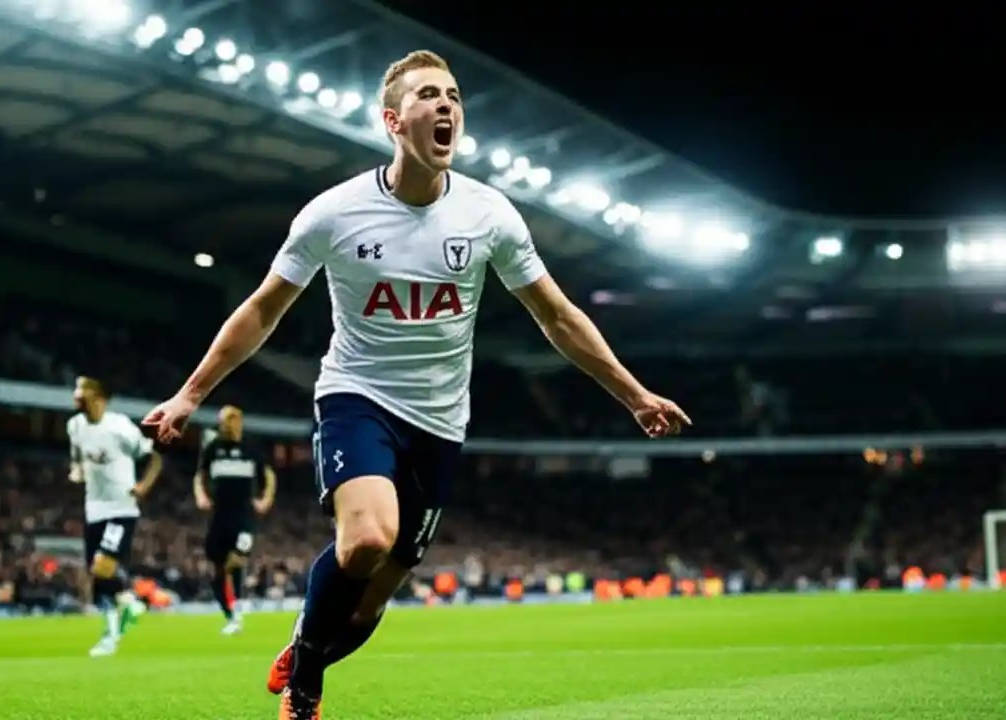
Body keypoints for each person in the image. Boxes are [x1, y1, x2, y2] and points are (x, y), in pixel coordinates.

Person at [142, 49, 690, 720]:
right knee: (367, 540)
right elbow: (262, 309)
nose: (447, 107)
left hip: (440, 422)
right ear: (394, 120)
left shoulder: (489, 215)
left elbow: (557, 315)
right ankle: (306, 687)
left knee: (370, 603)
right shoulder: (334, 213)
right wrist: (191, 395)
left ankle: (305, 648)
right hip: (357, 397)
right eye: (430, 95)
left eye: (455, 96)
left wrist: (634, 395)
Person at [68, 376, 163, 657]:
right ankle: (114, 627)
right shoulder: (74, 426)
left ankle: (128, 601)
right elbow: (77, 457)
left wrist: (144, 485)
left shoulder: (120, 426)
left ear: (98, 397)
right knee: (98, 575)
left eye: (82, 388)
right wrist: (77, 470)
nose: (76, 394)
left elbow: (155, 457)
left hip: (121, 509)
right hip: (93, 510)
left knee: (101, 566)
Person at [194, 404, 277, 635]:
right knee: (218, 569)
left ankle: (238, 608)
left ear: (239, 422)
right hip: (219, 515)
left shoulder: (251, 447)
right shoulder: (213, 447)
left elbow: (268, 475)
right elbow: (200, 474)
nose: (226, 425)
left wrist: (266, 498)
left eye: (230, 420)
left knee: (236, 560)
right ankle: (230, 614)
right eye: (223, 421)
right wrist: (201, 495)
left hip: (244, 517)